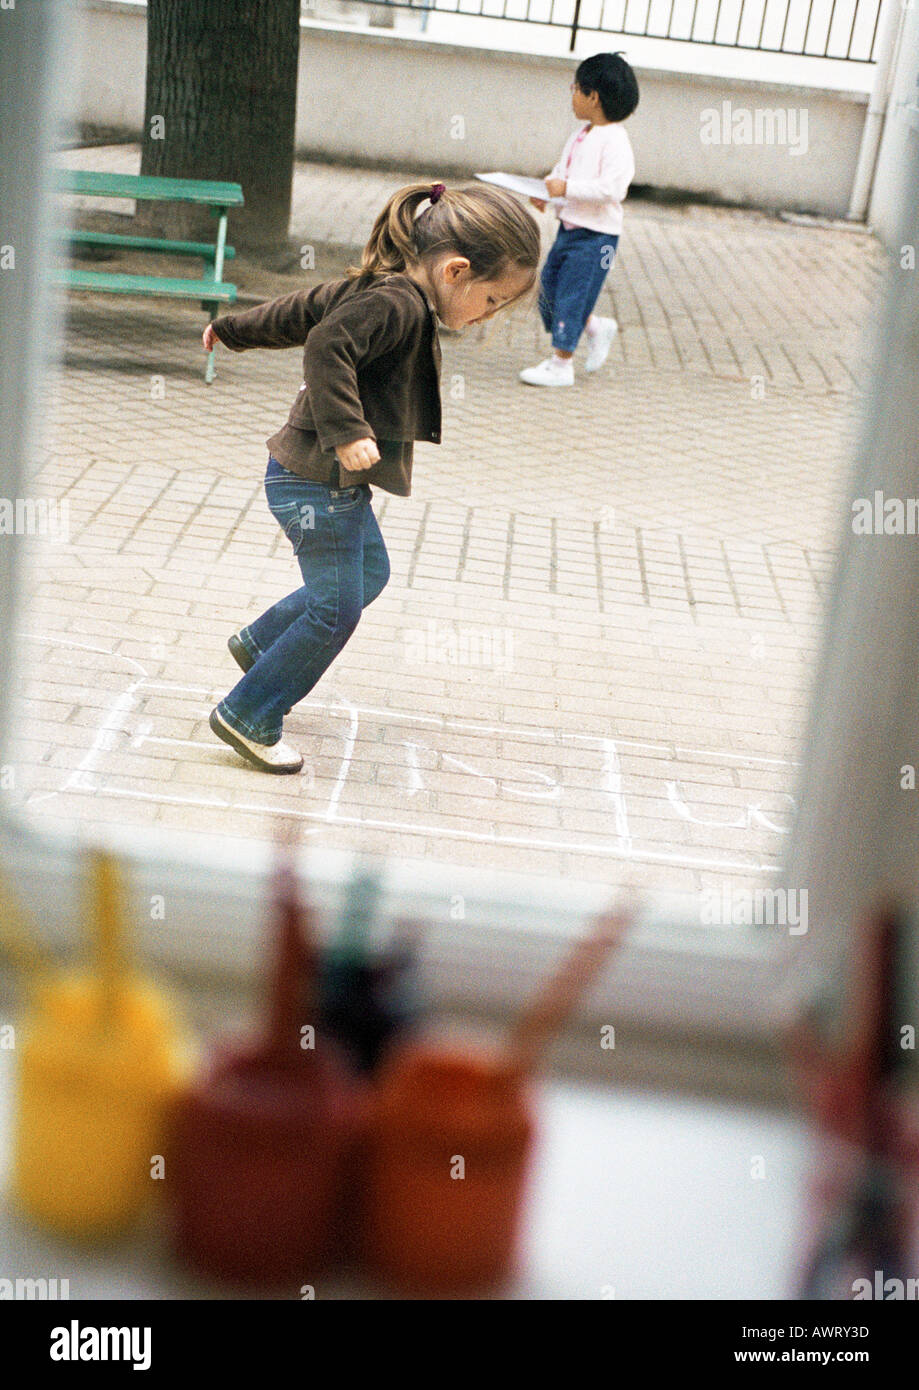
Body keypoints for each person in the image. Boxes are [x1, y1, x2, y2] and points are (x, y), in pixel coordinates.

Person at [202, 182, 540, 773]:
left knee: (368, 572)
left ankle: (259, 646)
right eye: (490, 301)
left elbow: (303, 310)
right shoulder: (398, 304)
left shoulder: (379, 289)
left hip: (318, 481)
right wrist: (348, 430)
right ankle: (248, 714)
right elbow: (326, 342)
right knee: (336, 609)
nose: (486, 316)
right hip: (315, 483)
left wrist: (233, 329)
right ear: (457, 270)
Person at [520, 52, 639, 387]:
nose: (571, 95)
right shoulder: (581, 135)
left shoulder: (615, 139)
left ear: (593, 96)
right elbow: (563, 172)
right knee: (550, 292)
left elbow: (612, 189)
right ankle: (594, 327)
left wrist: (566, 187)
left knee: (571, 295)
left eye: (575, 88)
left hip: (597, 236)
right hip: (569, 228)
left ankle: (561, 364)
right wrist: (548, 192)